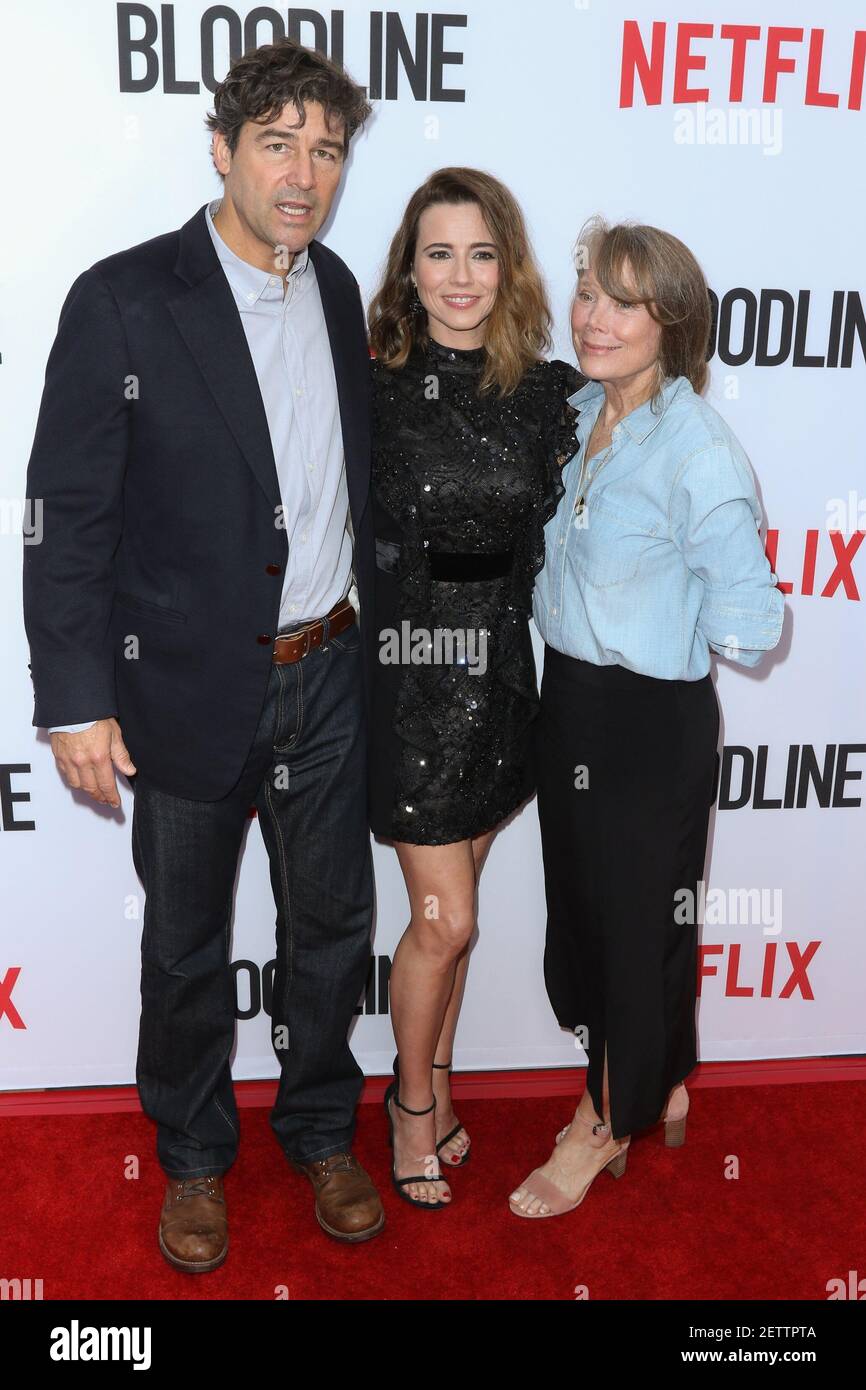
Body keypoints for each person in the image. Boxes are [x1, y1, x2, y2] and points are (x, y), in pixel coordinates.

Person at [22, 38, 385, 1267]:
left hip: (328, 673)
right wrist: (73, 697)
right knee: (185, 944)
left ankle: (324, 1129)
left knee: (331, 926)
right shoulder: (123, 299)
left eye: (325, 149)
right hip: (179, 681)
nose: (302, 172)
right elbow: (69, 517)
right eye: (275, 142)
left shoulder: (335, 289)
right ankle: (188, 1157)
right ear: (221, 149)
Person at [510, 216, 785, 1218]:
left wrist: (655, 631)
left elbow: (751, 625)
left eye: (621, 300)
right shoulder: (578, 408)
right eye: (586, 291)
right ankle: (661, 1077)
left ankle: (600, 1121)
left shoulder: (698, 451)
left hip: (646, 720)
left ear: (669, 321)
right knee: (594, 920)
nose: (591, 316)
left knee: (628, 925)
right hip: (569, 702)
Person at [367, 168, 581, 1208]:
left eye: (480, 253)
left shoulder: (544, 394)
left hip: (499, 683)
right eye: (438, 253)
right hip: (407, 686)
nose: (460, 276)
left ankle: (441, 1088)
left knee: (463, 913)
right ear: (409, 271)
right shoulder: (366, 390)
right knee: (443, 921)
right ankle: (408, 1104)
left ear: (509, 268)